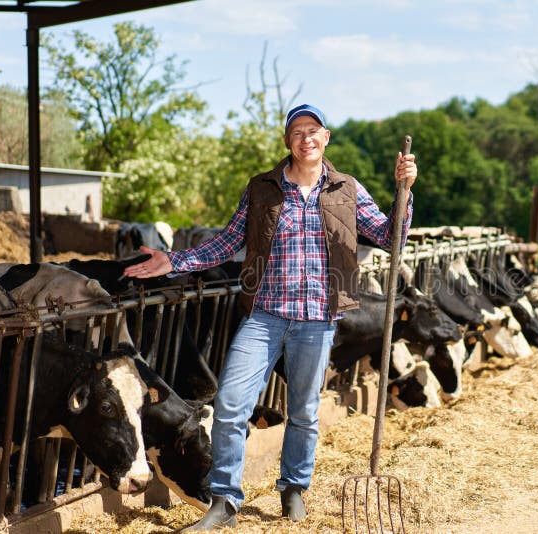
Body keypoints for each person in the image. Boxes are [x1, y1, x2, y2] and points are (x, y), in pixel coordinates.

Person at [123, 103, 417, 531]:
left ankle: (294, 489)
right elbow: (226, 243)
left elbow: (393, 237)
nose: (306, 138)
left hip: (318, 319)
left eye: (313, 130)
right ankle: (224, 500)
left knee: (303, 411)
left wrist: (404, 191)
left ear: (326, 137)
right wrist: (175, 261)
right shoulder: (263, 188)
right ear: (287, 142)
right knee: (228, 405)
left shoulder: (346, 190)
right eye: (297, 132)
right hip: (264, 316)